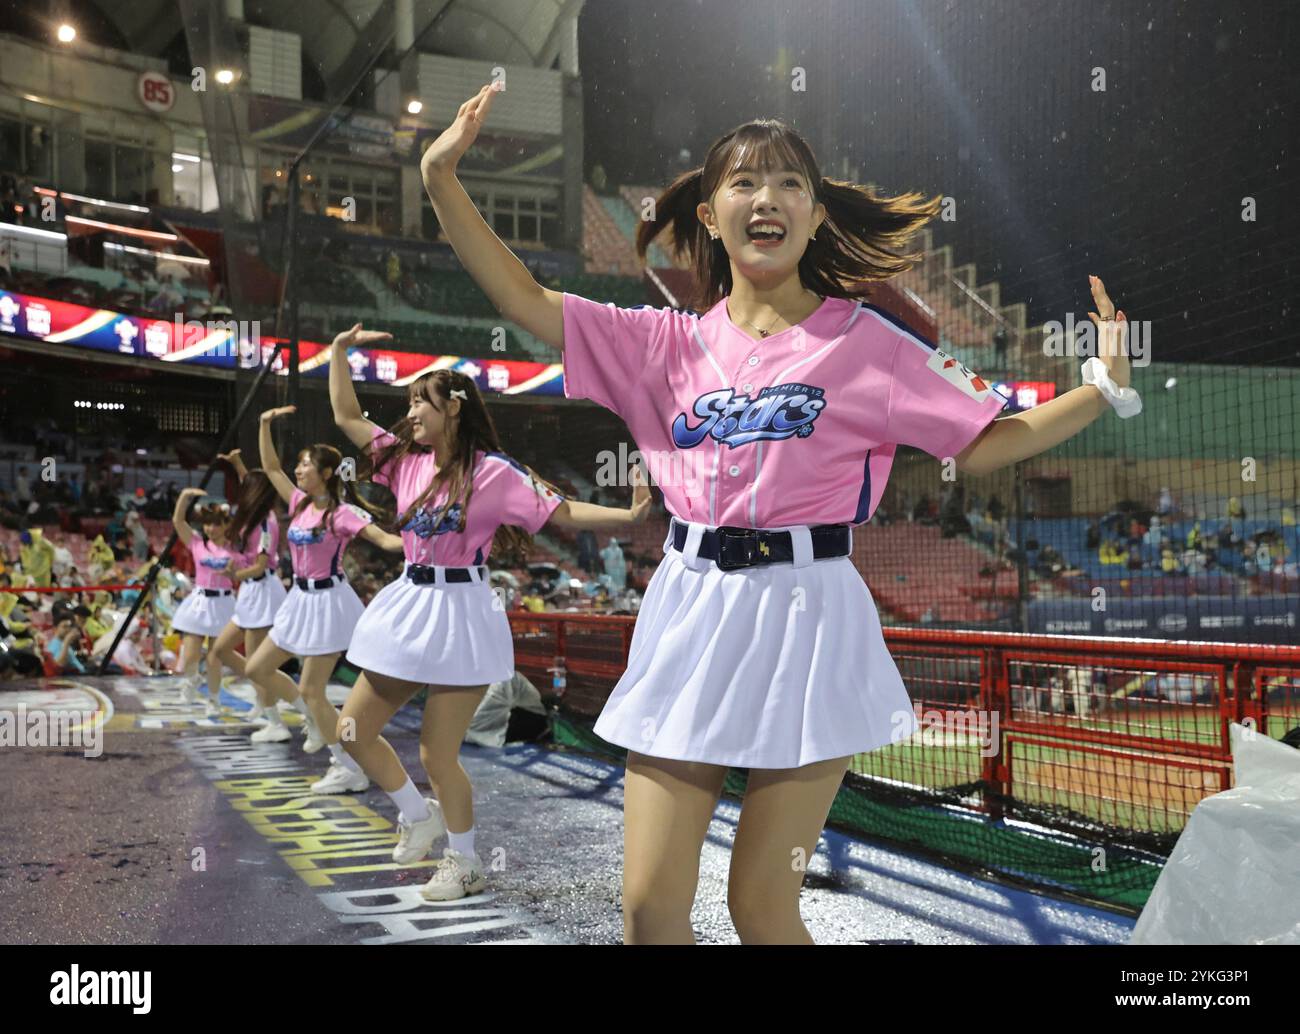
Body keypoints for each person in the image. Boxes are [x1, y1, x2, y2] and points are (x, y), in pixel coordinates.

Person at [417, 82, 1141, 942]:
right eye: (746, 183)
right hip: (689, 606)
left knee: (762, 905)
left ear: (817, 216)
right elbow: (524, 301)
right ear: (712, 217)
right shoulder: (662, 343)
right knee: (649, 906)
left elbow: (983, 441)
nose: (769, 198)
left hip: (810, 615)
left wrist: (1102, 389)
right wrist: (440, 179)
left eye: (792, 182)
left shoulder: (868, 343)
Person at [328, 322, 652, 902]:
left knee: (436, 752)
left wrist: (627, 519)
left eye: (419, 402)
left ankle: (466, 861)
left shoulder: (494, 472)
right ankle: (415, 813)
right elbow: (349, 419)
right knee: (352, 728)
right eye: (406, 403)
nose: (410, 414)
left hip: (461, 610)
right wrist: (337, 354)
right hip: (407, 602)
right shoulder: (404, 462)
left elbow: (565, 512)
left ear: (453, 408)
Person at [241, 405, 405, 795]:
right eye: (299, 464)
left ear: (326, 473)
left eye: (306, 465)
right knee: (257, 669)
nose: (298, 470)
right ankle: (312, 718)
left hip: (329, 604)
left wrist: (425, 544)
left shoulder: (341, 513)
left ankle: (346, 765)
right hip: (299, 600)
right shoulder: (297, 503)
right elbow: (271, 468)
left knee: (313, 690)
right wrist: (264, 423)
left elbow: (383, 539)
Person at [206, 449, 288, 726]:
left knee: (256, 662)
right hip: (250, 592)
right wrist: (238, 462)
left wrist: (234, 573)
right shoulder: (255, 511)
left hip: (262, 589)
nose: (242, 491)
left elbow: (261, 565)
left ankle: (273, 717)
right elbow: (250, 481)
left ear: (258, 492)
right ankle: (263, 696)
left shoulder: (267, 522)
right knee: (221, 649)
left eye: (248, 488)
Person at [168, 489, 242, 717]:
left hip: (224, 603)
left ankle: (213, 699)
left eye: (216, 524)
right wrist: (185, 496)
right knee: (189, 654)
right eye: (207, 524)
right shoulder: (198, 543)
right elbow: (178, 520)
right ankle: (191, 681)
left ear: (226, 524)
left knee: (214, 658)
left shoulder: (235, 547)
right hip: (199, 602)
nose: (210, 529)